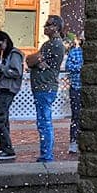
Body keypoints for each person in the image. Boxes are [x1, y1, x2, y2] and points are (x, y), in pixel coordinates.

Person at [26, 16, 65, 163]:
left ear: (56, 27)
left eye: (48, 25)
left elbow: (31, 61)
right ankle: (46, 154)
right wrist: (36, 60)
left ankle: (46, 155)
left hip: (45, 87)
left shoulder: (53, 45)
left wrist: (36, 60)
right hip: (44, 87)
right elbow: (32, 60)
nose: (44, 27)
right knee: (43, 121)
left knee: (44, 122)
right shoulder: (49, 44)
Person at [0, 30, 24, 160]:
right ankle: (5, 148)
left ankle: (7, 149)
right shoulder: (7, 55)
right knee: (4, 120)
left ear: (5, 41)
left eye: (0, 45)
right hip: (4, 88)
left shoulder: (14, 54)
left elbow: (16, 72)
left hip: (8, 89)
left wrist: (1, 68)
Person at [65, 34, 84, 154]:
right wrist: (81, 67)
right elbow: (68, 66)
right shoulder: (74, 52)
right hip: (76, 88)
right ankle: (73, 141)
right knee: (76, 115)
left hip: (88, 89)